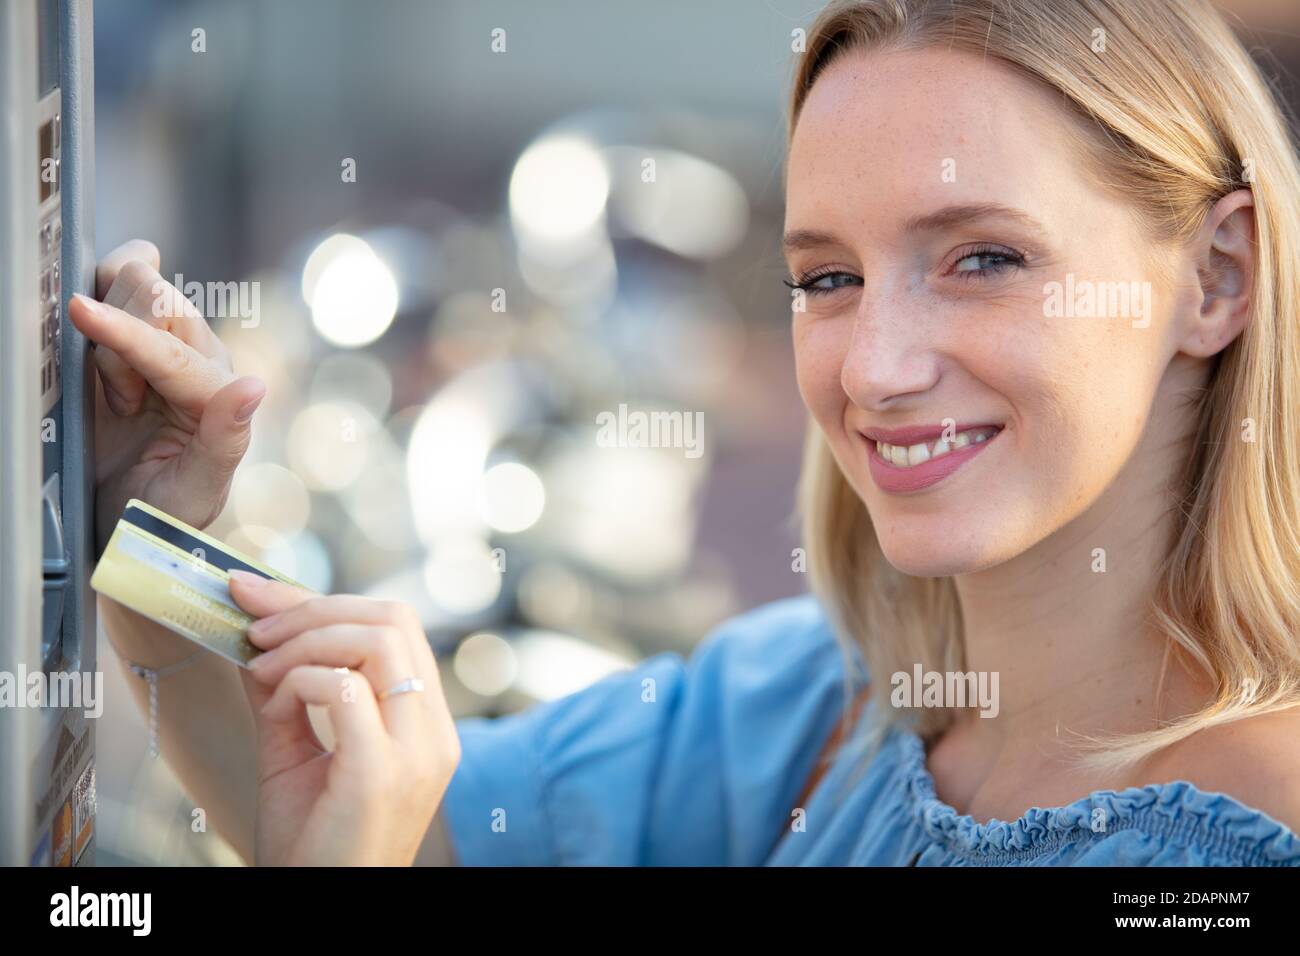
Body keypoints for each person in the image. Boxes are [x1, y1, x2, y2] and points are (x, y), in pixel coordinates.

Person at [73, 0, 1300, 866]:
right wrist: (152, 530)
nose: (874, 366)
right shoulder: (803, 703)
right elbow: (390, 818)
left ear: (1216, 273)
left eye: (983, 258)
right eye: (827, 279)